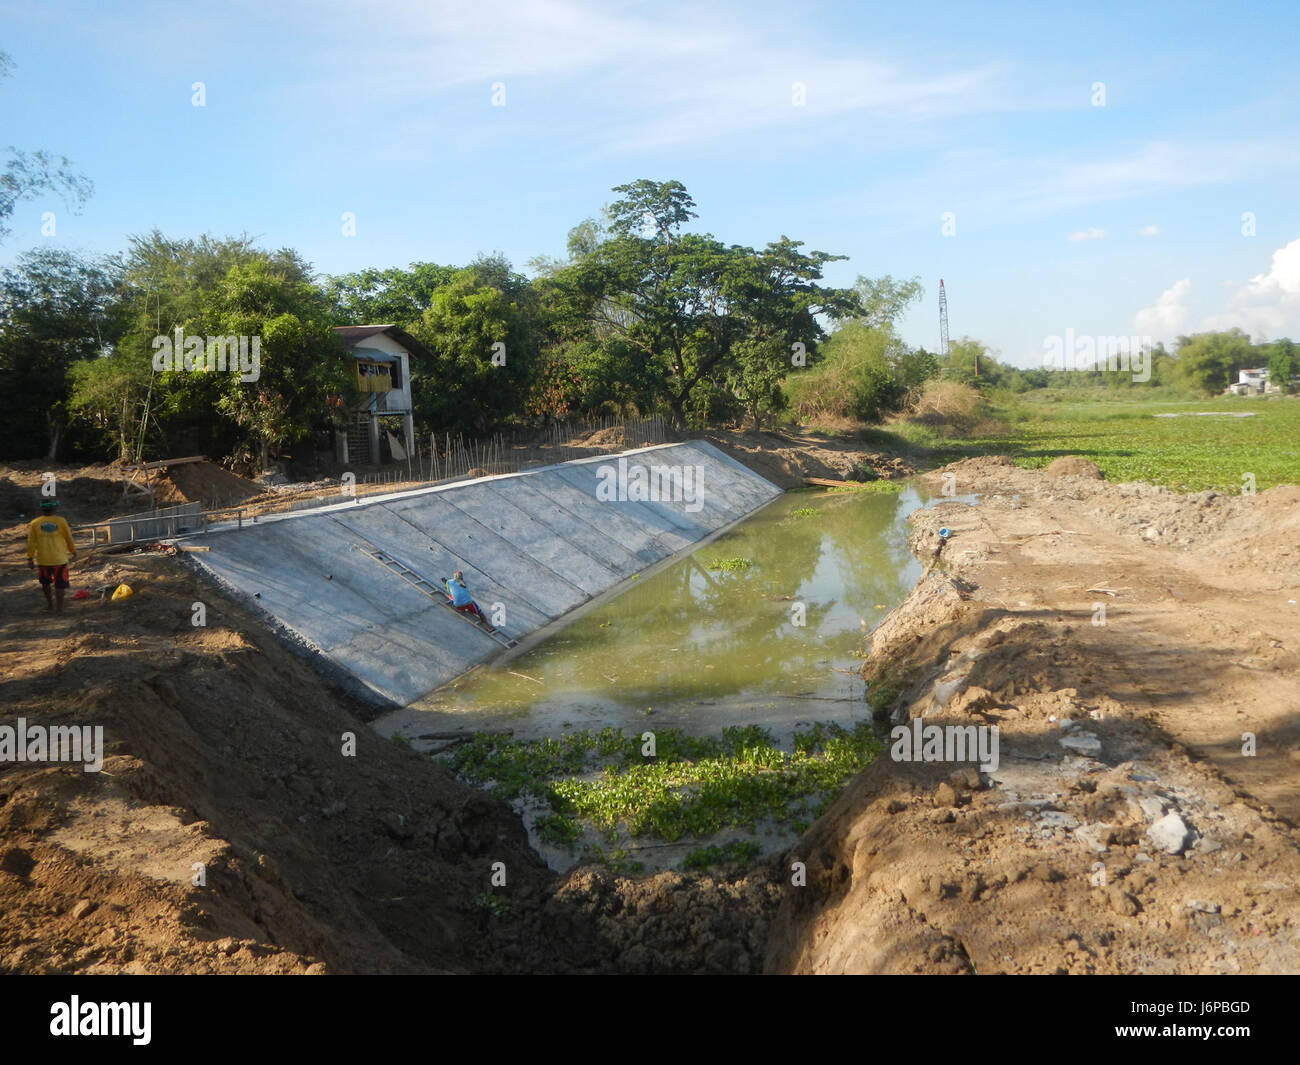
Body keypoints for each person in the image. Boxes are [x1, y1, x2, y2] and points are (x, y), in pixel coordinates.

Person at [27, 499, 77, 614]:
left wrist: (30, 558)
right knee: (60, 585)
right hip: (59, 559)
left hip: (43, 560)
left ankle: (50, 605)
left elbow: (31, 542)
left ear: (42, 509)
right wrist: (73, 551)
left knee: (45, 584)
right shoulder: (61, 521)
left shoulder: (35, 523)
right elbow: (68, 537)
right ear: (54, 509)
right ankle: (59, 609)